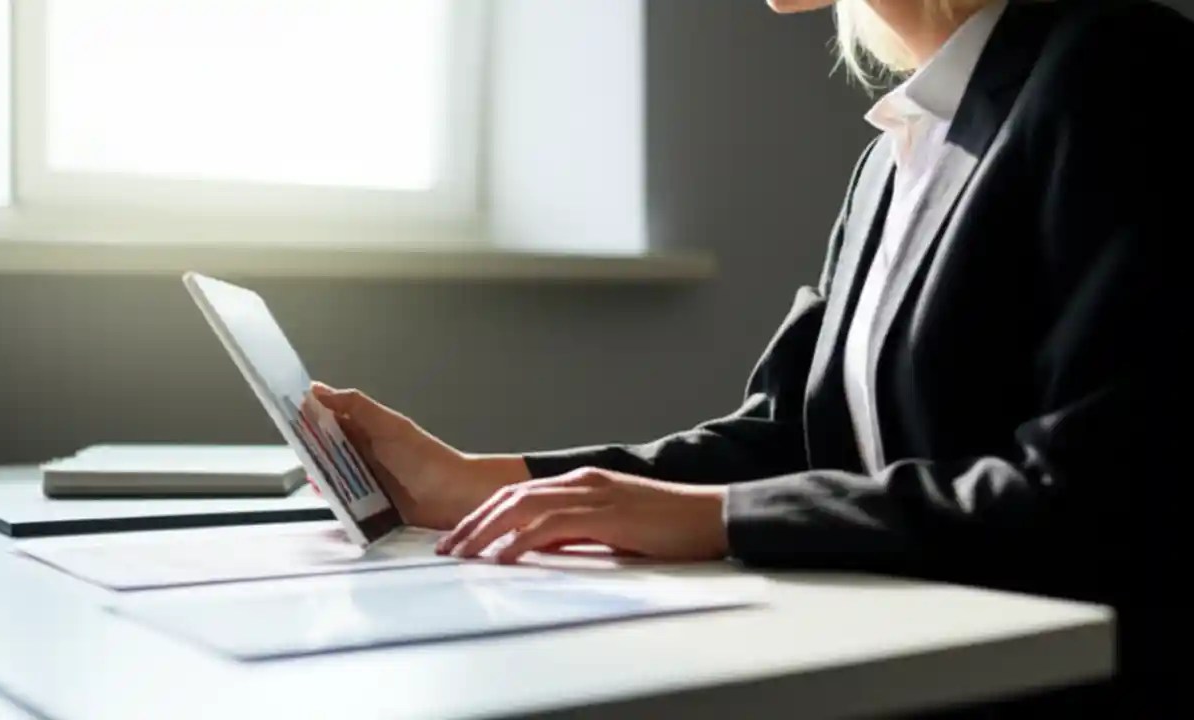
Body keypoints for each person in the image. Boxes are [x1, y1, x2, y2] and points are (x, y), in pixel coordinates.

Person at [312, 0, 1189, 711]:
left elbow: (1102, 496)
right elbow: (791, 436)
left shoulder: (1121, 67)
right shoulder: (898, 151)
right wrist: (479, 482)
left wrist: (714, 519)